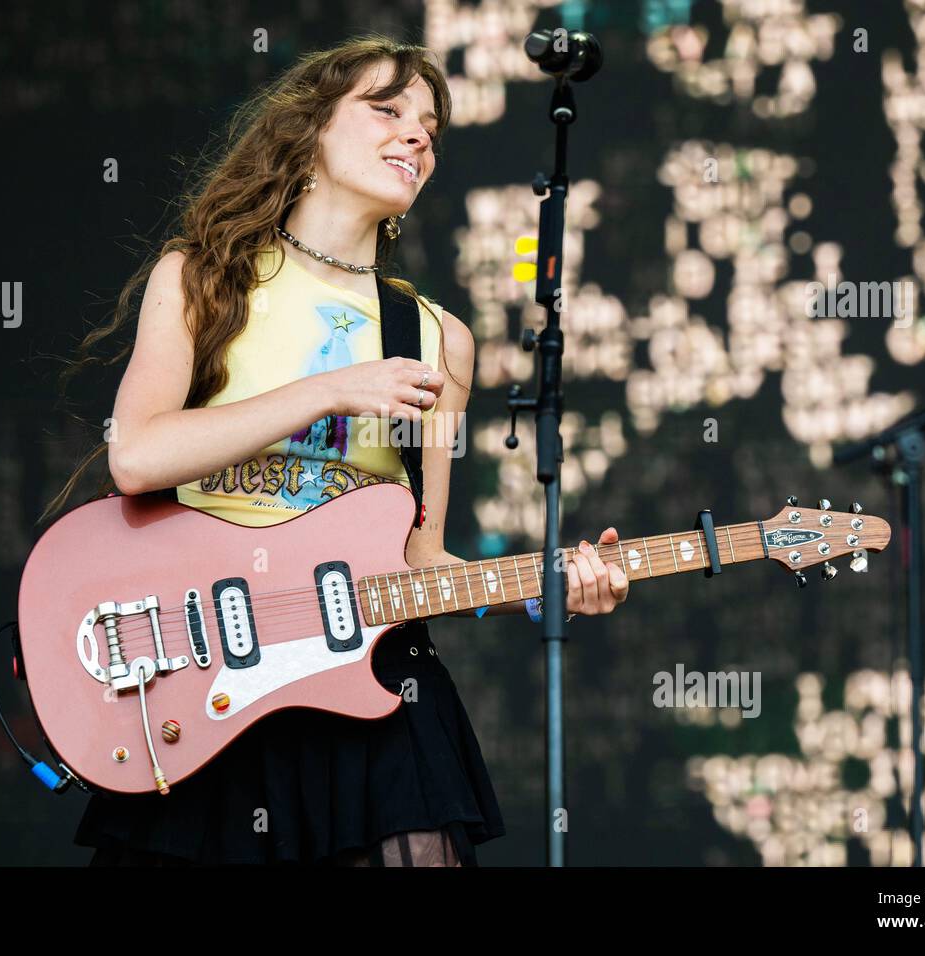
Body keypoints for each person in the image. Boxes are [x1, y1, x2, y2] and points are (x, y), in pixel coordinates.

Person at [42, 35, 630, 867]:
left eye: (431, 126)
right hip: (213, 677)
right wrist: (327, 391)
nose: (419, 136)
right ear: (310, 131)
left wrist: (544, 590)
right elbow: (134, 456)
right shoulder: (206, 277)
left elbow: (420, 559)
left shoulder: (436, 340)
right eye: (387, 110)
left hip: (374, 686)